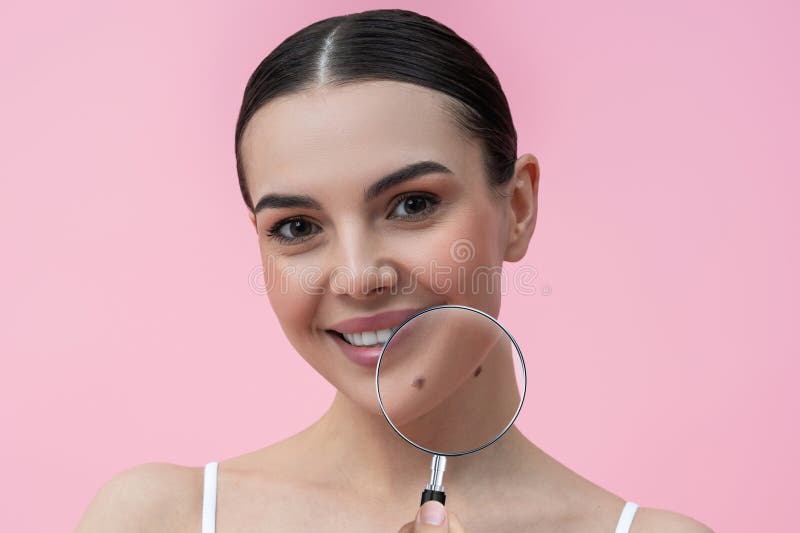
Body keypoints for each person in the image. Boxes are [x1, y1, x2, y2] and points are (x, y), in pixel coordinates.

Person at [76, 8, 714, 532]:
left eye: (413, 205)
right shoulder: (161, 519)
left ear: (516, 208)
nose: (357, 277)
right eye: (297, 227)